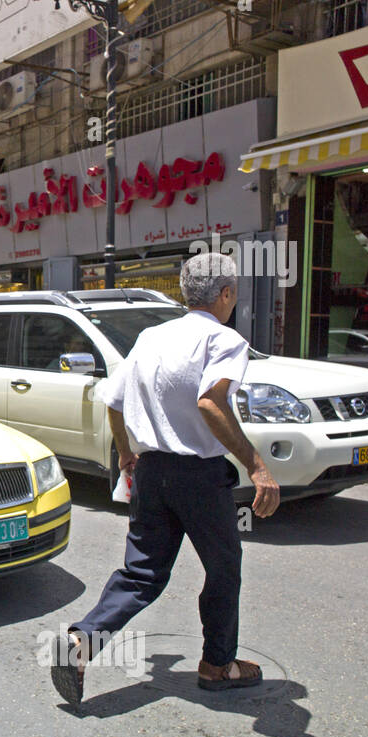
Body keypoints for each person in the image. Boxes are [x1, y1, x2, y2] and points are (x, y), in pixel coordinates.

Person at [51, 253, 281, 705]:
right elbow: (211, 403)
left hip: (152, 471)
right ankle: (218, 665)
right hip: (200, 476)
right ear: (226, 294)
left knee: (142, 573)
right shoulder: (224, 339)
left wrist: (125, 454)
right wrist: (257, 467)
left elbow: (113, 400)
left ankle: (81, 642)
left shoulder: (151, 337)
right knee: (224, 568)